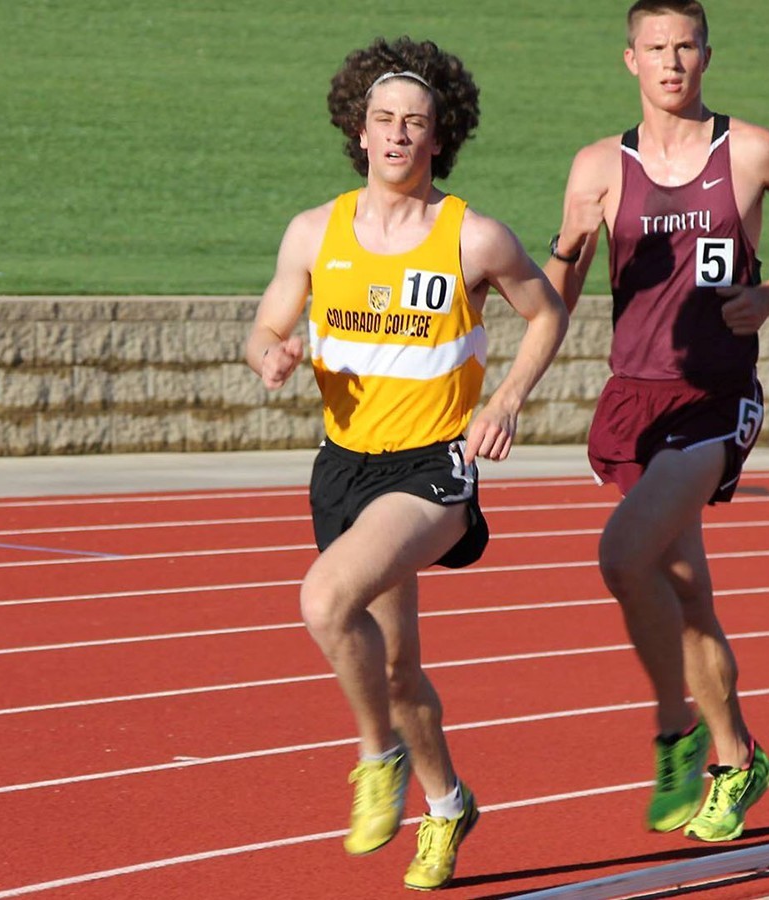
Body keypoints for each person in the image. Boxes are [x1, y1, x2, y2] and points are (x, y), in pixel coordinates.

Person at [245, 36, 568, 890]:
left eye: (414, 123)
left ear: (438, 138)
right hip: (343, 467)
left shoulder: (475, 239)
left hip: (433, 466)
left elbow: (548, 312)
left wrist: (503, 403)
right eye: (382, 119)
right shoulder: (315, 232)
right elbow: (268, 325)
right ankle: (448, 802)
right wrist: (271, 354)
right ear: (357, 129)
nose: (395, 135)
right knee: (394, 666)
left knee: (323, 599)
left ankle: (376, 756)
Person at [543, 0, 769, 842]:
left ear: (706, 54)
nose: (672, 62)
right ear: (629, 60)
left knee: (620, 556)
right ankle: (735, 755)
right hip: (632, 401)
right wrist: (564, 251)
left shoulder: (748, 149)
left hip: (716, 400)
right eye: (656, 48)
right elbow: (558, 297)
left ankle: (673, 728)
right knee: (686, 599)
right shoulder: (598, 166)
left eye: (686, 46)